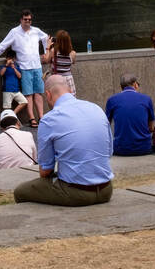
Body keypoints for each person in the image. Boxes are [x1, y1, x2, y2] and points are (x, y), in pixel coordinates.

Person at [13, 75, 114, 207]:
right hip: (106, 190)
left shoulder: (49, 120)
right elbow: (109, 152)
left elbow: (45, 171)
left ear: (48, 94)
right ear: (70, 90)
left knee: (20, 192)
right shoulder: (96, 108)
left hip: (76, 192)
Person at [0, 12, 51, 125]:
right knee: (28, 94)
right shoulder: (14, 32)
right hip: (24, 67)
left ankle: (41, 117)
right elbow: (2, 45)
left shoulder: (36, 30)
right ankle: (32, 118)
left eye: (29, 19)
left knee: (39, 93)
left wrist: (45, 51)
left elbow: (46, 38)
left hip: (37, 66)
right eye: (25, 19)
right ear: (21, 20)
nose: (28, 21)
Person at [105, 73, 155, 156]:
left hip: (121, 149)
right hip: (144, 148)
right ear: (135, 84)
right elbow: (151, 127)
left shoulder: (112, 100)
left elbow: (106, 125)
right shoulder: (146, 99)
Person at [0, 45, 34, 125]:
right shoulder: (4, 66)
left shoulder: (17, 66)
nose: (11, 60)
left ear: (15, 59)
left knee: (24, 101)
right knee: (6, 108)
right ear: (7, 58)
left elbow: (19, 76)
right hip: (7, 90)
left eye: (12, 58)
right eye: (9, 58)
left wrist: (14, 68)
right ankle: (6, 123)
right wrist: (6, 65)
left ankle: (13, 114)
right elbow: (1, 74)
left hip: (16, 90)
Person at [49, 29, 77, 95]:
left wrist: (48, 47)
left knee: (58, 99)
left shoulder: (53, 51)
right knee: (71, 99)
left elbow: (46, 60)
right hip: (68, 80)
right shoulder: (72, 53)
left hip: (57, 80)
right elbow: (73, 62)